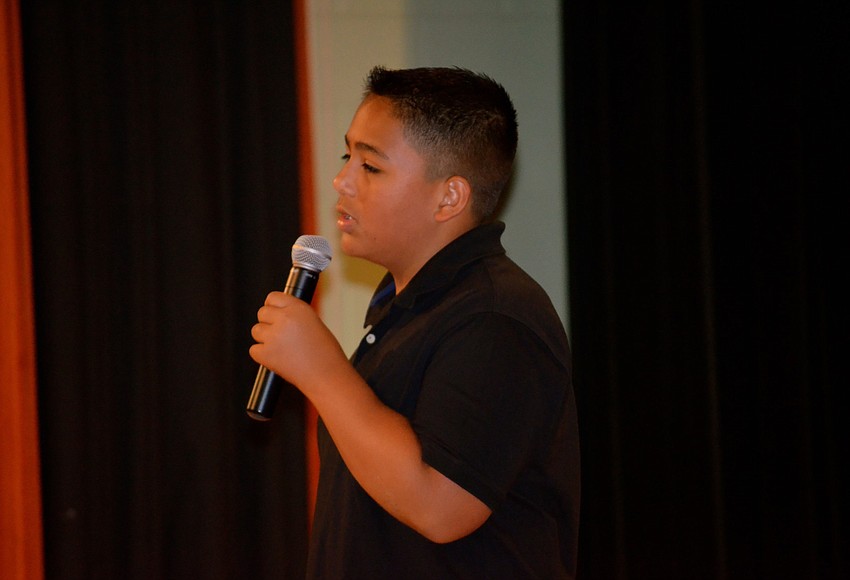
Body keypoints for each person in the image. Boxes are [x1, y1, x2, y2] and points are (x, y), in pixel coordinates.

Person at [250, 66, 580, 579]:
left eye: (371, 165)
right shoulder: (410, 306)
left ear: (449, 197)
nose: (342, 180)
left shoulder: (495, 317)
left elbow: (441, 505)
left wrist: (322, 371)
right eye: (347, 156)